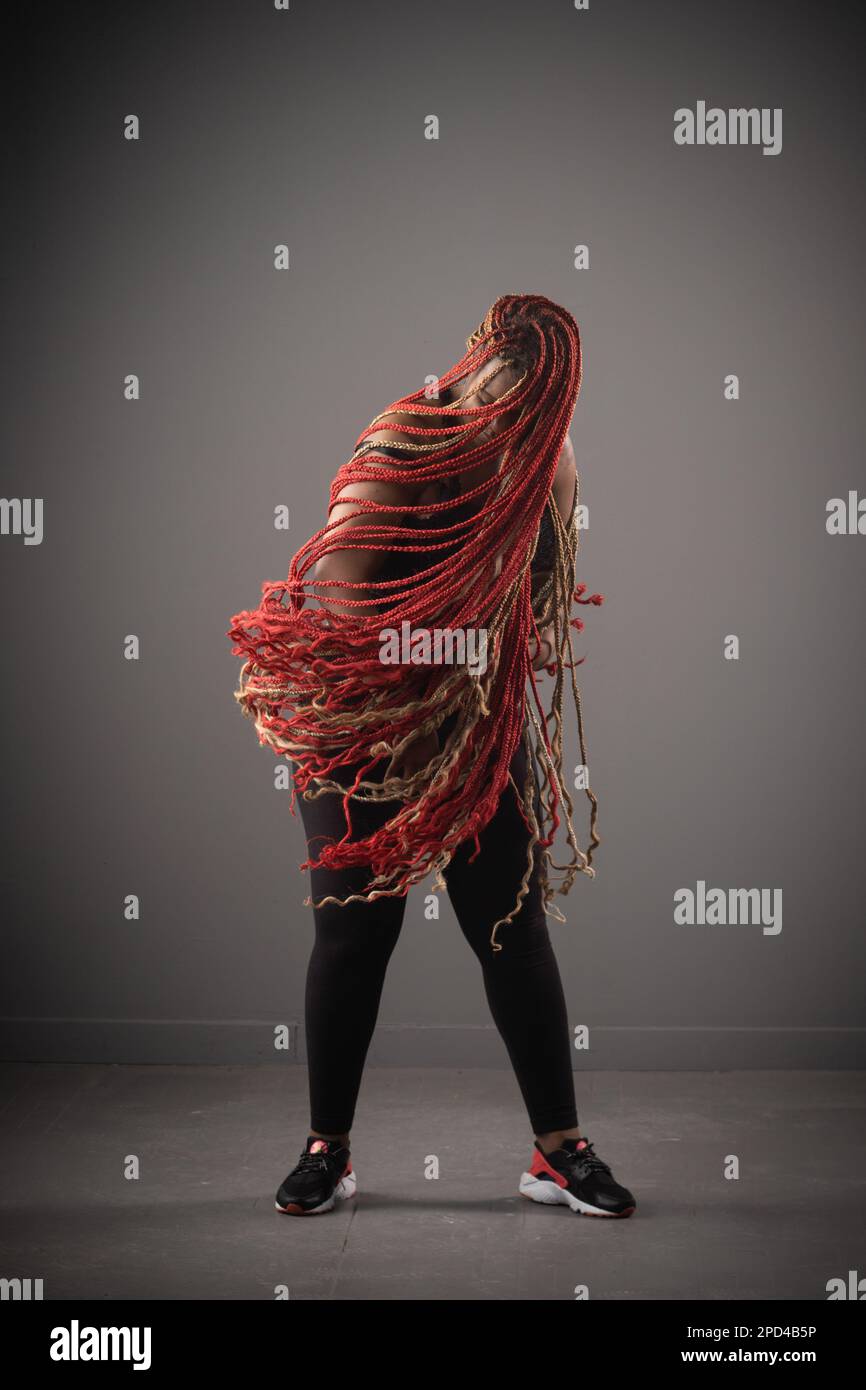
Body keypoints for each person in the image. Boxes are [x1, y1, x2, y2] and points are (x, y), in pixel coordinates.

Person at [227, 294, 636, 1219]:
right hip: (356, 724)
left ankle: (557, 1152)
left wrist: (473, 664)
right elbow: (335, 618)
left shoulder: (550, 466)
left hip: (477, 724)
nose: (521, 422)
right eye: (506, 398)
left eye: (540, 412)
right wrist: (453, 648)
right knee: (354, 933)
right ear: (474, 369)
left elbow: (534, 607)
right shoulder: (403, 443)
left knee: (512, 929)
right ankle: (327, 1149)